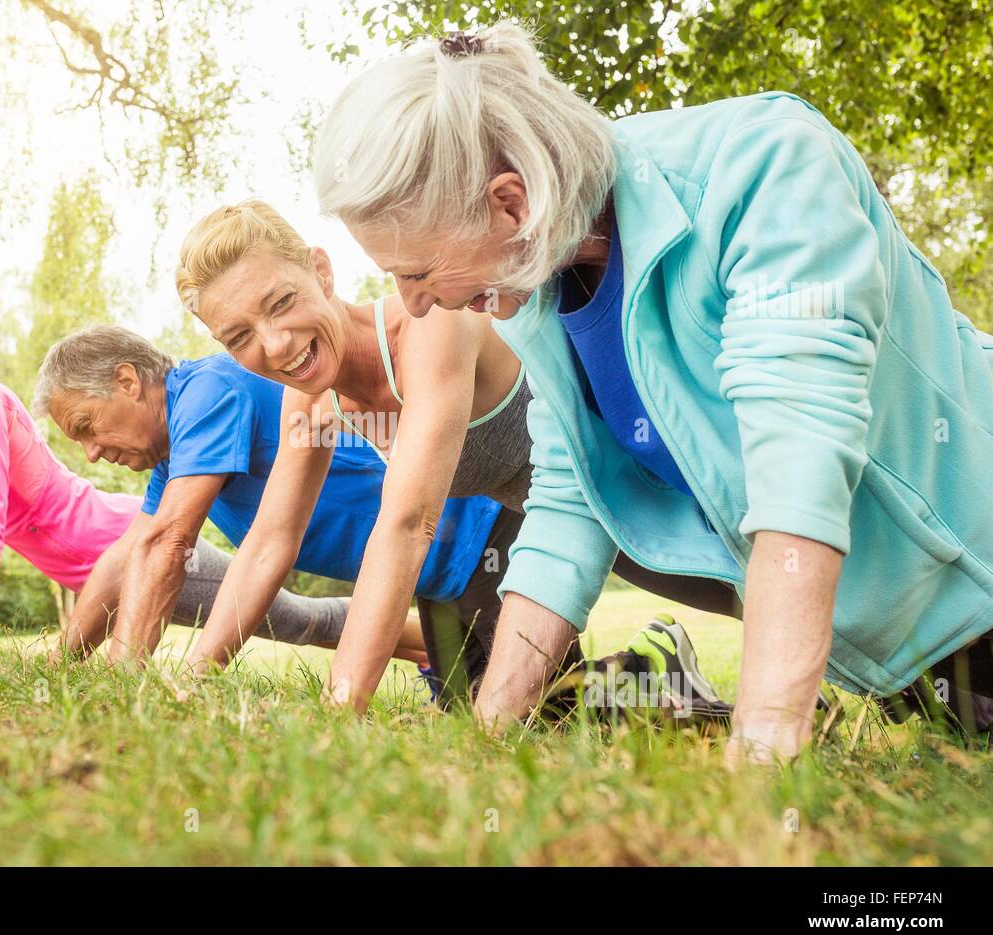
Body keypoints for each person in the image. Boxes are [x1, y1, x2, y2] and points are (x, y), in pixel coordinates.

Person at [312, 23, 993, 758]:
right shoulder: (537, 284)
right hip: (912, 661)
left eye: (416, 273)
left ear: (510, 203)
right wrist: (489, 739)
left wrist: (761, 759)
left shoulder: (762, 165)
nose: (412, 305)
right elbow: (570, 501)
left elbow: (801, 457)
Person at [172, 199, 731, 716]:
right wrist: (196, 677)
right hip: (583, 518)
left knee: (765, 598)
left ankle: (697, 681)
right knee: (528, 714)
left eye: (281, 303)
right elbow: (270, 541)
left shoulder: (429, 324)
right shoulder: (312, 397)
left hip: (658, 475)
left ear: (320, 270)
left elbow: (408, 523)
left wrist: (341, 705)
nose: (274, 344)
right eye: (238, 336)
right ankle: (673, 675)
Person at [0, 301, 358, 661]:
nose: (91, 453)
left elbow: (156, 543)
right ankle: (426, 647)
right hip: (120, 552)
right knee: (300, 621)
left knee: (297, 621)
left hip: (119, 545)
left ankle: (424, 646)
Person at [33, 325, 502, 700]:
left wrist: (123, 679)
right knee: (465, 711)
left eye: (86, 427)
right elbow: (126, 555)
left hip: (481, 542)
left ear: (127, 381)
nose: (91, 453)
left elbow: (167, 544)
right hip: (433, 581)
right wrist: (62, 664)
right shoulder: (176, 455)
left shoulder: (207, 391)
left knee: (539, 716)